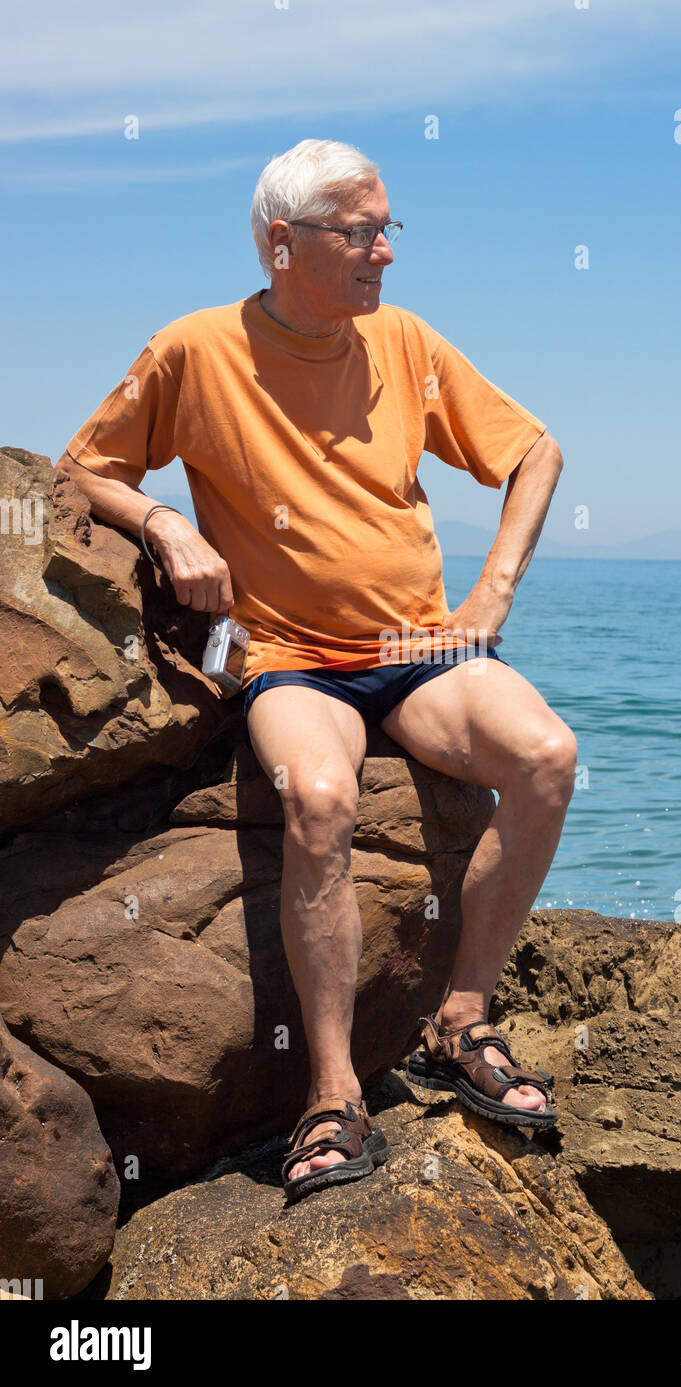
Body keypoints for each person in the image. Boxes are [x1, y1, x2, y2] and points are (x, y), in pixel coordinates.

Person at [56, 137, 577, 1206]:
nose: (385, 252)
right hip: (289, 662)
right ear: (281, 243)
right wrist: (162, 521)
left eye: (390, 229)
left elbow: (534, 452)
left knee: (545, 755)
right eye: (361, 232)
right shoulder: (195, 350)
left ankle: (459, 1019)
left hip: (414, 652)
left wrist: (490, 599)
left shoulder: (405, 344)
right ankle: (332, 1091)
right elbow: (80, 471)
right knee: (320, 798)